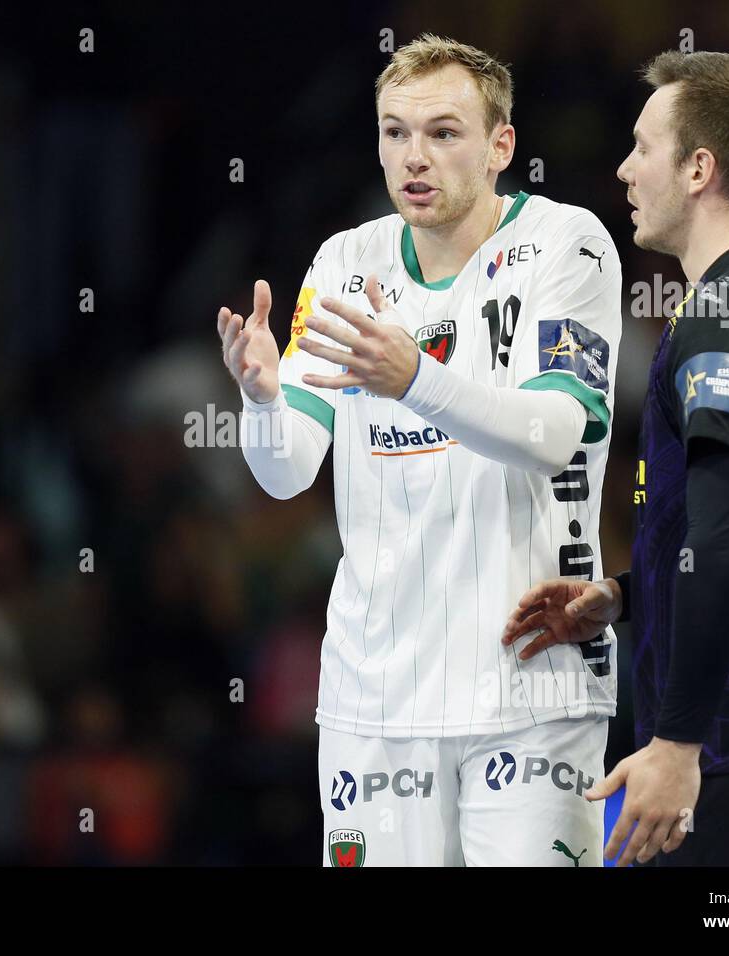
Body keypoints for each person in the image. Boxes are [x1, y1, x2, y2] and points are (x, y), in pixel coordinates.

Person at [217, 35, 623, 865]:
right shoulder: (345, 259)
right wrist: (261, 400)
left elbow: (557, 433)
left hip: (532, 684)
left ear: (500, 145)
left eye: (443, 132)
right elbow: (287, 469)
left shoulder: (568, 245)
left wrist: (415, 379)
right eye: (395, 132)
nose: (415, 157)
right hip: (374, 697)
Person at [502, 51, 729, 866]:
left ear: (700, 167)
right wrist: (625, 594)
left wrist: (677, 743)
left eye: (644, 146)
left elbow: (726, 543)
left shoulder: (727, 317)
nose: (624, 168)